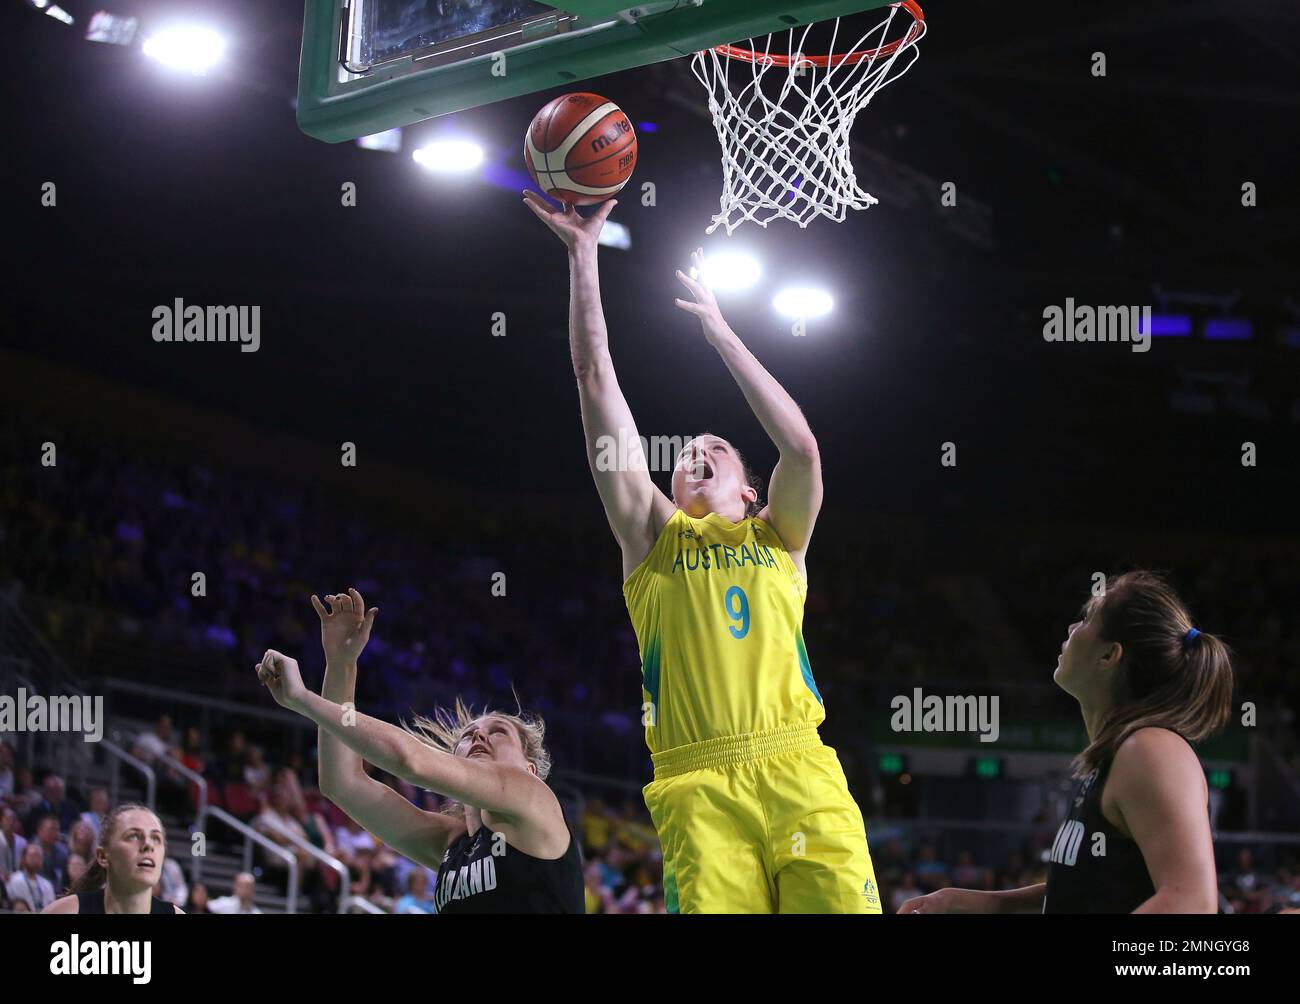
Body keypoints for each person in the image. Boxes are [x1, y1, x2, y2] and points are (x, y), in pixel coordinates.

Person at [523, 192, 880, 913]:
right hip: (697, 782)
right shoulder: (652, 540)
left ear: (750, 492)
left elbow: (802, 446)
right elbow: (596, 384)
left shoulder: (780, 538)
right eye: (686, 453)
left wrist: (720, 332)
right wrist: (583, 257)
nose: (695, 453)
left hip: (798, 765)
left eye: (714, 449)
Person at [899, 572, 1233, 915]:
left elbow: (1190, 902)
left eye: (1088, 618)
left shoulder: (1151, 750)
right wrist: (981, 902)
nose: (1073, 628)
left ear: (1109, 656)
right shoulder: (1120, 755)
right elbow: (1090, 886)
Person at [255, 588, 583, 913]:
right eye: (468, 736)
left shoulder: (533, 798)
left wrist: (304, 700)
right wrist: (341, 664)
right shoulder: (450, 844)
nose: (480, 737)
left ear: (530, 770)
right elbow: (342, 783)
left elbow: (409, 760)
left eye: (498, 733)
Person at [42, 804, 181, 914]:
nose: (148, 845)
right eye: (133, 836)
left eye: (156, 838)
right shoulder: (65, 912)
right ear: (102, 856)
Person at [6, 843, 56, 912]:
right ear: (23, 858)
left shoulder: (47, 884)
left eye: (39, 857)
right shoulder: (14, 879)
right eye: (32, 856)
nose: (35, 860)